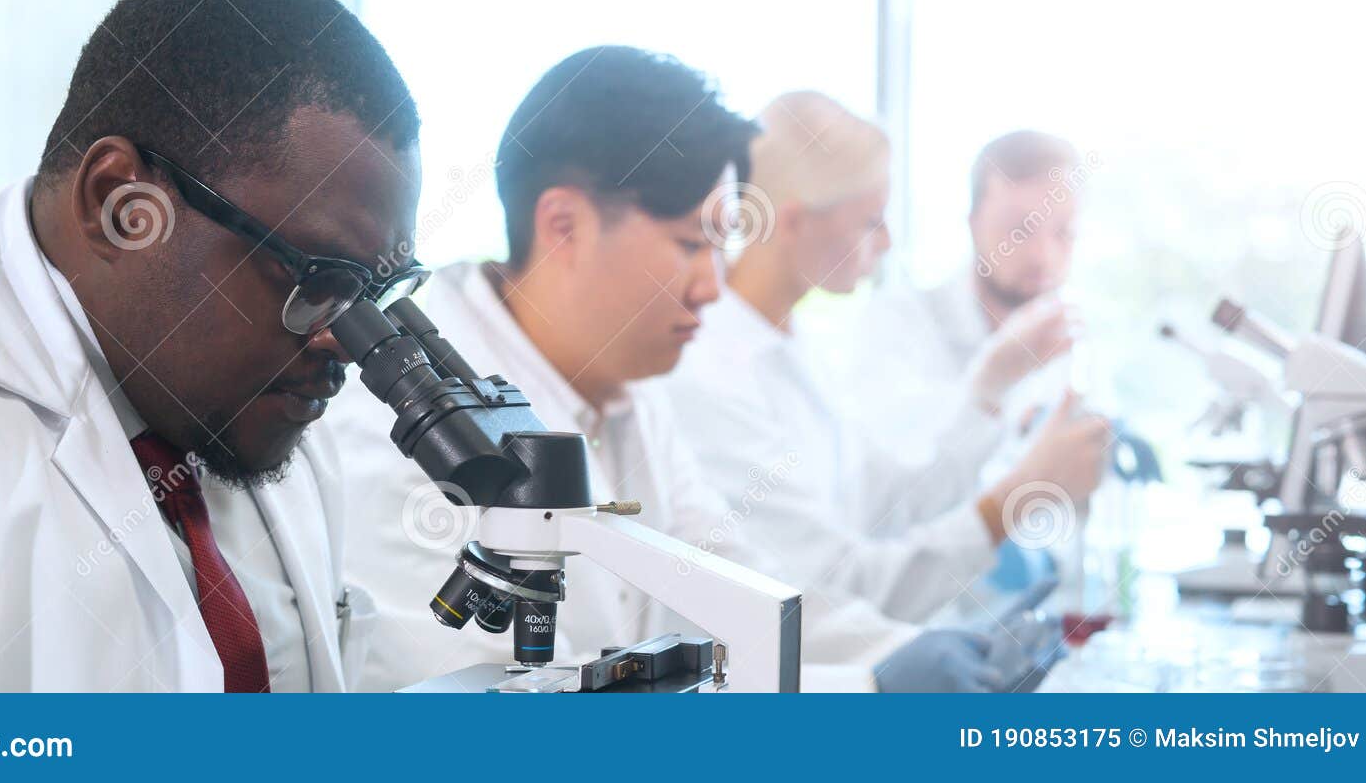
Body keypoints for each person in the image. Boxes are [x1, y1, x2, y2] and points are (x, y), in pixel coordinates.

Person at [332, 47, 1054, 693]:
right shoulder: (416, 426)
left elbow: (736, 581)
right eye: (690, 244)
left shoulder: (622, 393)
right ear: (565, 226)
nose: (713, 287)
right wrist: (869, 690)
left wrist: (909, 655)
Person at [0, 0, 421, 692]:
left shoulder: (267, 410)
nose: (346, 340)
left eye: (373, 292)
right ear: (120, 205)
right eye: (317, 276)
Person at [665, 93, 1110, 622]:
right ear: (794, 222)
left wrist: (987, 392)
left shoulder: (800, 347)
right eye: (870, 221)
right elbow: (835, 590)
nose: (889, 241)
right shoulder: (711, 373)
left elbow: (887, 508)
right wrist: (1017, 494)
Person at [849, 129, 1086, 459]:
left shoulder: (1075, 346)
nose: (1042, 256)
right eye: (1020, 229)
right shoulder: (893, 325)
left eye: (1064, 233)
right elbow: (891, 489)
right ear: (973, 223)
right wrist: (989, 387)